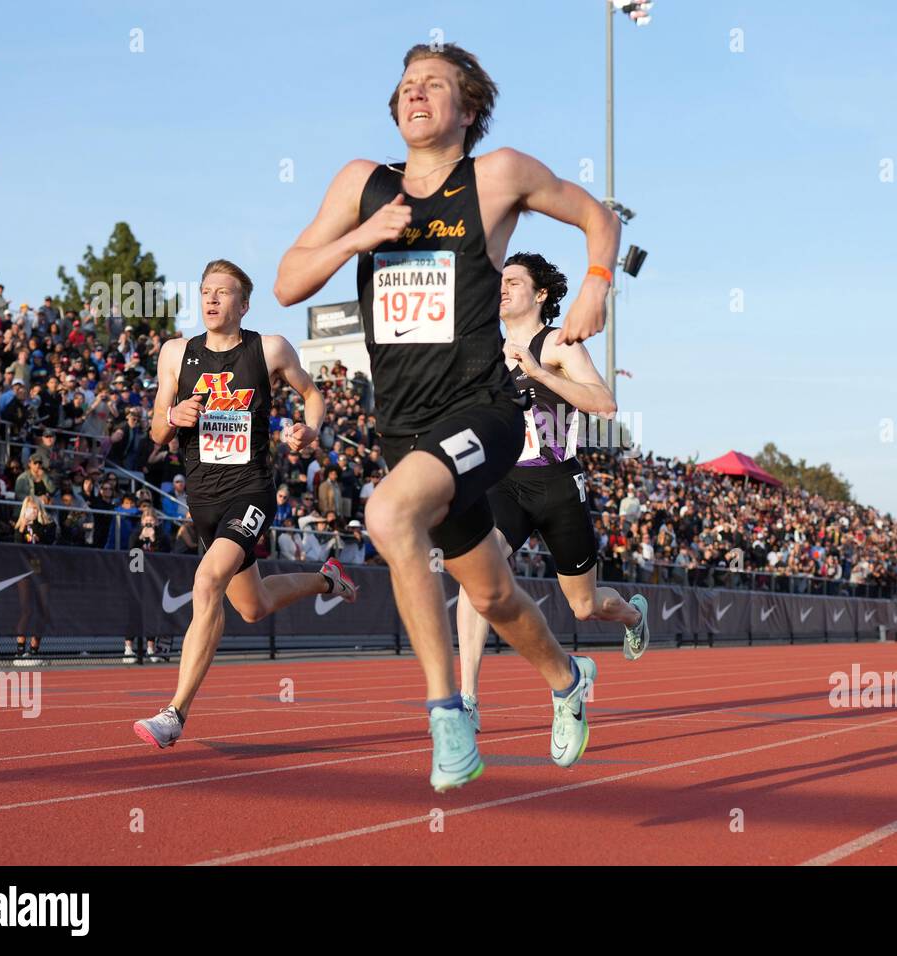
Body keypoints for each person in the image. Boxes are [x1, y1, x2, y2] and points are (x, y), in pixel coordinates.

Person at [274, 43, 619, 791]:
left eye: (433, 84)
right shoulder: (361, 184)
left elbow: (596, 215)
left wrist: (595, 287)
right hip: (403, 424)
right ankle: (567, 679)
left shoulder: (497, 177)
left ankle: (446, 711)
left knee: (389, 514)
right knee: (491, 594)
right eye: (404, 85)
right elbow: (288, 281)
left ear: (468, 108)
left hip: (480, 407)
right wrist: (362, 237)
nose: (415, 94)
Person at [133, 260, 359, 748]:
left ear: (244, 303)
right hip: (203, 497)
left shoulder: (269, 348)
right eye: (206, 291)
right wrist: (173, 414)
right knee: (252, 606)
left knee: (207, 579)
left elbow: (312, 393)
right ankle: (328, 578)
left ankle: (174, 713)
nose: (212, 299)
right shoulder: (176, 353)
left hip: (250, 490)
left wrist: (311, 430)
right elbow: (155, 431)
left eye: (224, 292)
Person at [453, 253, 647, 732]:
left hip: (559, 483)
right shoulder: (485, 351)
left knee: (584, 606)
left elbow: (604, 403)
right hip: (505, 483)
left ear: (540, 294)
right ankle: (468, 699)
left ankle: (630, 616)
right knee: (478, 574)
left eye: (513, 282)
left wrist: (540, 373)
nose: (501, 289)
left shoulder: (558, 342)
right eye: (499, 282)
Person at [13, 495, 57, 662]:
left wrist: (36, 525)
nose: (32, 511)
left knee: (43, 609)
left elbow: (49, 540)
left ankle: (34, 648)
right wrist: (24, 524)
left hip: (42, 570)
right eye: (29, 508)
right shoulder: (20, 527)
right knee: (26, 609)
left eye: (35, 508)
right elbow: (17, 544)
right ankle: (19, 648)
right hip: (24, 571)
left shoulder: (47, 525)